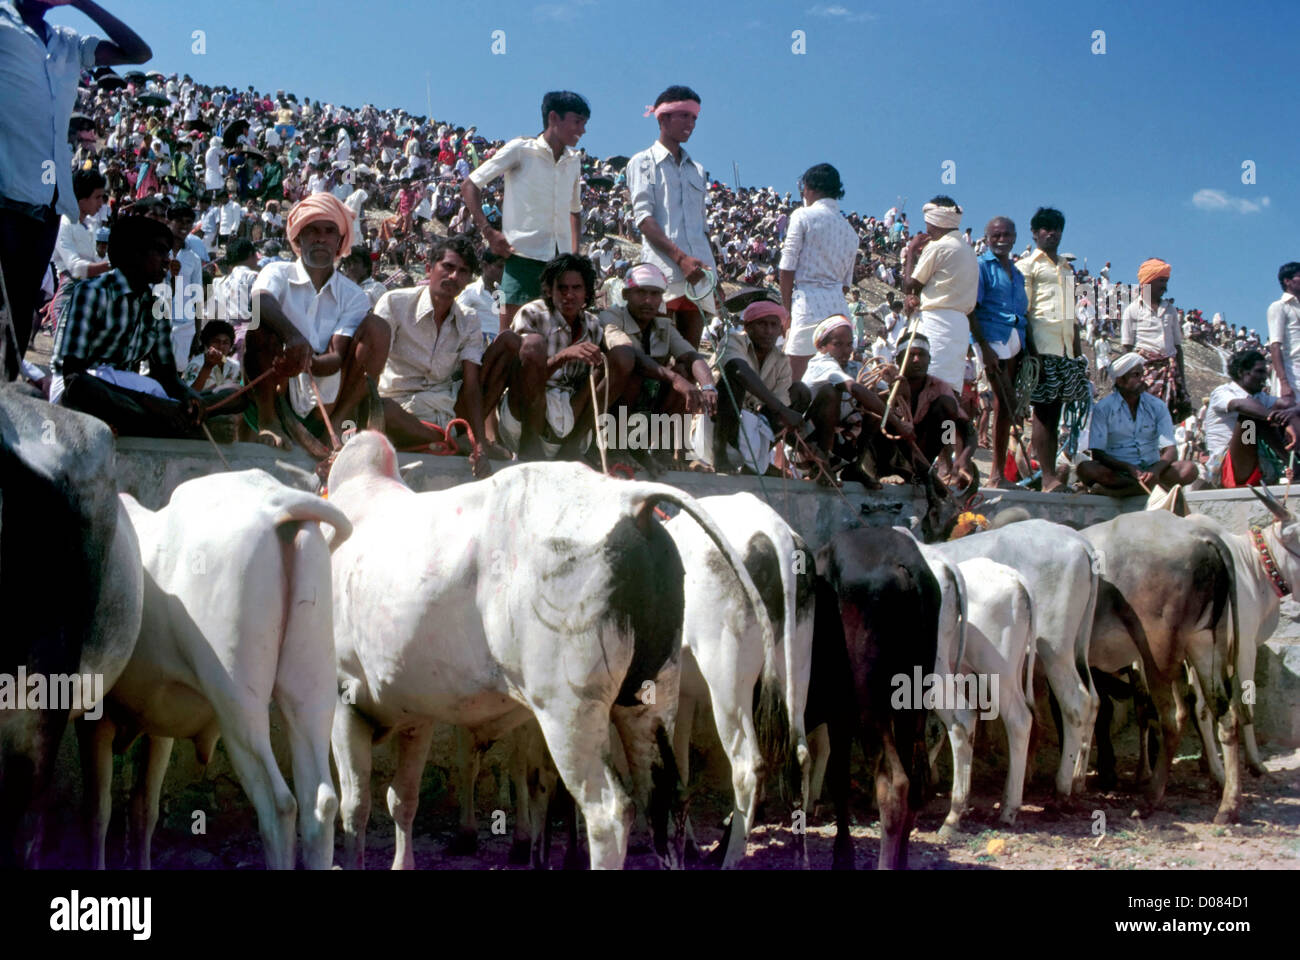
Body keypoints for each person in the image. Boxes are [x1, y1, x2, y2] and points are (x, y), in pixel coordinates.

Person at [1, 0, 150, 380]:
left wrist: (84, 4)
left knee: (18, 318)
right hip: (5, 192)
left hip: (46, 203)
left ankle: (7, 404)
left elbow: (138, 52)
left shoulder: (68, 42)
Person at [245, 192, 391, 452]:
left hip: (326, 384)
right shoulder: (276, 271)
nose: (321, 237)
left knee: (378, 328)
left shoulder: (354, 294)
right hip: (278, 381)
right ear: (298, 238)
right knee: (259, 322)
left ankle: (337, 423)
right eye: (312, 230)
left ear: (340, 242)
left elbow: (336, 356)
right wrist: (293, 338)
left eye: (329, 231)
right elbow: (259, 301)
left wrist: (306, 361)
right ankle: (269, 420)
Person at [50, 216, 207, 436]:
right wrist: (150, 402)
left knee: (230, 396)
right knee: (86, 388)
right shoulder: (93, 292)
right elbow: (72, 376)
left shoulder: (156, 306)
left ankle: (161, 419)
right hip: (80, 390)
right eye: (161, 251)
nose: (167, 260)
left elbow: (166, 375)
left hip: (124, 395)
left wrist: (188, 394)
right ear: (135, 253)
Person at [375, 235, 506, 478]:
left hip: (447, 406)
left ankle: (466, 440)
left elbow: (472, 384)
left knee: (508, 343)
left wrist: (479, 441)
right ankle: (446, 440)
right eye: (448, 267)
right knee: (380, 409)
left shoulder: (478, 312)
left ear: (468, 279)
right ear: (429, 268)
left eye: (463, 272)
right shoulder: (395, 303)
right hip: (400, 405)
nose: (454, 276)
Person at [461, 91, 588, 328]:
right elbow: (469, 185)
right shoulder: (521, 149)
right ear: (553, 118)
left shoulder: (574, 160)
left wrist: (576, 252)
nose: (582, 130)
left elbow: (575, 210)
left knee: (554, 337)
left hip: (560, 263)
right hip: (522, 258)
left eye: (584, 124)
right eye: (577, 122)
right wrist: (489, 232)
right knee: (511, 337)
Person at [598, 262, 717, 473]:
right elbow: (630, 355)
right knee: (635, 369)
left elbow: (692, 355)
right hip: (608, 408)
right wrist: (674, 380)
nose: (648, 301)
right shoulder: (611, 316)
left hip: (643, 409)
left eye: (654, 294)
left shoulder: (664, 326)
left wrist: (708, 386)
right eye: (640, 293)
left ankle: (643, 449)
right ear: (625, 294)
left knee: (685, 371)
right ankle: (615, 447)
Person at [627, 85, 716, 348]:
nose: (691, 123)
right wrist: (681, 259)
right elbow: (644, 219)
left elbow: (702, 228)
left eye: (694, 118)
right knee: (658, 353)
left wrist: (714, 275)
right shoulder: (642, 162)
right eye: (684, 116)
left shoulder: (697, 170)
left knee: (689, 356)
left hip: (699, 275)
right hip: (663, 271)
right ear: (663, 118)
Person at [498, 252, 608, 460]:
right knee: (533, 345)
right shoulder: (531, 314)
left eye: (576, 288)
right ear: (550, 290)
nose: (569, 295)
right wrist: (562, 357)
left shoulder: (593, 325)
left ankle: (573, 445)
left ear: (587, 293)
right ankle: (530, 442)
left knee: (606, 366)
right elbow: (522, 376)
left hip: (566, 409)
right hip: (525, 410)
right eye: (562, 288)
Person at [1018, 206, 1088, 493]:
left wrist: (1077, 352)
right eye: (1046, 228)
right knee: (1043, 413)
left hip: (1065, 352)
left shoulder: (1066, 268)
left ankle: (1048, 476)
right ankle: (1047, 476)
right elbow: (1024, 312)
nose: (1052, 232)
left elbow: (1071, 314)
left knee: (1056, 413)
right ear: (1035, 233)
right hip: (1041, 349)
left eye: (1057, 228)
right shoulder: (1027, 266)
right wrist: (1032, 352)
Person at [800, 315, 915, 487]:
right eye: (838, 344)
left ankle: (941, 468)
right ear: (822, 347)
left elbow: (899, 400)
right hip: (814, 439)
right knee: (841, 393)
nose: (846, 351)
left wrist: (897, 382)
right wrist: (898, 424)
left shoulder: (944, 391)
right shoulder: (824, 364)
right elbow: (856, 389)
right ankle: (821, 466)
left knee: (946, 419)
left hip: (922, 435)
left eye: (849, 344)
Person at [697, 300, 809, 475]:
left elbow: (780, 405)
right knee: (735, 378)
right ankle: (720, 454)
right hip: (720, 421)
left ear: (781, 330)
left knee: (800, 392)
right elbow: (739, 371)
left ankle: (756, 460)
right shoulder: (733, 341)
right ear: (748, 327)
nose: (769, 331)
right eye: (762, 324)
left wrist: (804, 443)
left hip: (753, 425)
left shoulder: (781, 360)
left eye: (774, 325)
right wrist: (780, 409)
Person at [778, 163, 859, 382]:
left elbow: (786, 268)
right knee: (829, 382)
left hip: (807, 305)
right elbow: (845, 284)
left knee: (795, 383)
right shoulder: (851, 232)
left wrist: (786, 311)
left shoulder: (803, 216)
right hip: (839, 312)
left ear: (809, 187)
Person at [1077, 352, 1198, 496]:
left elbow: (1170, 450)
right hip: (1119, 473)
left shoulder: (1157, 406)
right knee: (1085, 469)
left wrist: (1156, 470)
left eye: (1142, 374)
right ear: (1121, 380)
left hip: (1152, 471)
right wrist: (1128, 468)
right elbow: (1098, 454)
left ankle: (1123, 492)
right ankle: (1149, 489)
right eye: (1137, 375)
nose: (1143, 380)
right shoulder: (1103, 409)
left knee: (1189, 469)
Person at [969, 216, 1028, 488]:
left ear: (1015, 237)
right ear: (987, 238)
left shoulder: (1017, 274)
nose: (1001, 239)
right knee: (1005, 400)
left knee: (1005, 407)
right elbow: (972, 309)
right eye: (996, 235)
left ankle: (998, 474)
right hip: (991, 339)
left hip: (1014, 339)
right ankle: (994, 473)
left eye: (1006, 234)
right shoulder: (981, 266)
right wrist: (983, 347)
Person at [902, 196, 978, 393]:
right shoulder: (969, 251)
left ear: (936, 223)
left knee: (926, 385)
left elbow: (910, 284)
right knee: (949, 388)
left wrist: (911, 251)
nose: (928, 232)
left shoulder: (939, 246)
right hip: (959, 327)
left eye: (929, 228)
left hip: (935, 323)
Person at [1204, 348, 1300, 488]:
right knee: (1251, 416)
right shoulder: (1223, 392)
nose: (1264, 377)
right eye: (1259, 372)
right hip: (1226, 467)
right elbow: (1240, 405)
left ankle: (1294, 466)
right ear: (1241, 372)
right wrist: (1279, 420)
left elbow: (1288, 404)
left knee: (1285, 413)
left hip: (1256, 464)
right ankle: (1291, 464)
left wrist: (1290, 416)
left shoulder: (1260, 396)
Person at [1121, 257, 1189, 420]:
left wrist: (1183, 382)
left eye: (1166, 281)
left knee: (1166, 418)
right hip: (1144, 372)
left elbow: (1177, 347)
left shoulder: (1170, 309)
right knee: (1142, 416)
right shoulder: (1132, 310)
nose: (1164, 286)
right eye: (1161, 281)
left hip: (1168, 371)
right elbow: (1127, 348)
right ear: (1148, 281)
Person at [1266, 262, 1300, 404]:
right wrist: (1284, 383)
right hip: (1292, 374)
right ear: (1287, 281)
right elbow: (1275, 346)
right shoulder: (1279, 307)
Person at [456, 248, 505, 341]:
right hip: (477, 343)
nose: (503, 271)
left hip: (498, 343)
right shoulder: (470, 292)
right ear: (485, 266)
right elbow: (457, 319)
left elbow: (499, 321)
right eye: (500, 267)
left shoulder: (500, 293)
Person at [183, 319, 240, 393]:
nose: (221, 346)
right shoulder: (196, 364)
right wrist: (207, 367)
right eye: (216, 341)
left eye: (225, 343)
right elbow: (191, 394)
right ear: (207, 343)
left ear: (230, 345)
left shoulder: (234, 366)